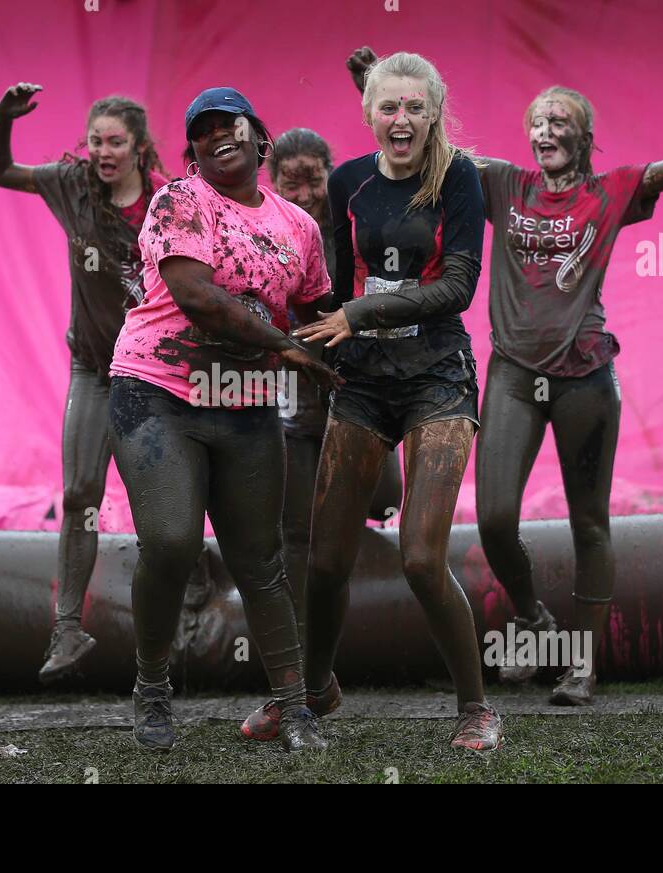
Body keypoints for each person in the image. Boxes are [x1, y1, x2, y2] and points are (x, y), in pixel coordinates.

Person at [348, 47, 663, 704]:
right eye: (538, 123)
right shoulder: (501, 184)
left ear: (584, 138)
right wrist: (372, 82)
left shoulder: (613, 191)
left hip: (586, 377)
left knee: (589, 524)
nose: (545, 132)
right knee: (493, 518)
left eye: (560, 123)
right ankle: (533, 617)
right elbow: (420, 135)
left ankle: (581, 663)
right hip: (513, 373)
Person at [108, 87, 339, 753]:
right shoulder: (179, 200)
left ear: (260, 138)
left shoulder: (299, 226)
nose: (216, 137)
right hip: (157, 390)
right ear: (194, 155)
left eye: (228, 125)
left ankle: (295, 708)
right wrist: (288, 346)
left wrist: (369, 338)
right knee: (174, 541)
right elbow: (195, 296)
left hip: (246, 403)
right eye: (202, 133)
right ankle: (152, 687)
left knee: (260, 559)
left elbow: (321, 314)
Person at [295, 52, 501, 750]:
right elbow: (326, 283)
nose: (402, 118)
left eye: (416, 106)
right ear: (368, 114)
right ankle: (313, 692)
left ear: (435, 111)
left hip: (437, 379)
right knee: (324, 561)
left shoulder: (460, 178)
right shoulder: (347, 182)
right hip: (362, 381)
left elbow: (458, 290)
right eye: (389, 106)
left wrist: (359, 314)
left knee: (418, 557)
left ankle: (476, 708)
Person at [0, 87, 168, 683]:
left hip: (155, 374)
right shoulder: (72, 185)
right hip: (92, 368)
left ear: (140, 147)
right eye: (96, 141)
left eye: (116, 142)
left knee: (156, 511)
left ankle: (158, 653)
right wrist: (3, 120)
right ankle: (67, 629)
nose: (104, 151)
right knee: (79, 492)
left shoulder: (170, 204)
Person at [238, 128, 403, 742]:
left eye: (314, 177)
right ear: (273, 181)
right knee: (295, 536)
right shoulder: (263, 228)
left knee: (385, 499)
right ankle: (305, 676)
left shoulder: (350, 223)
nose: (304, 190)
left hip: (359, 391)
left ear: (330, 175)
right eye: (291, 180)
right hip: (295, 403)